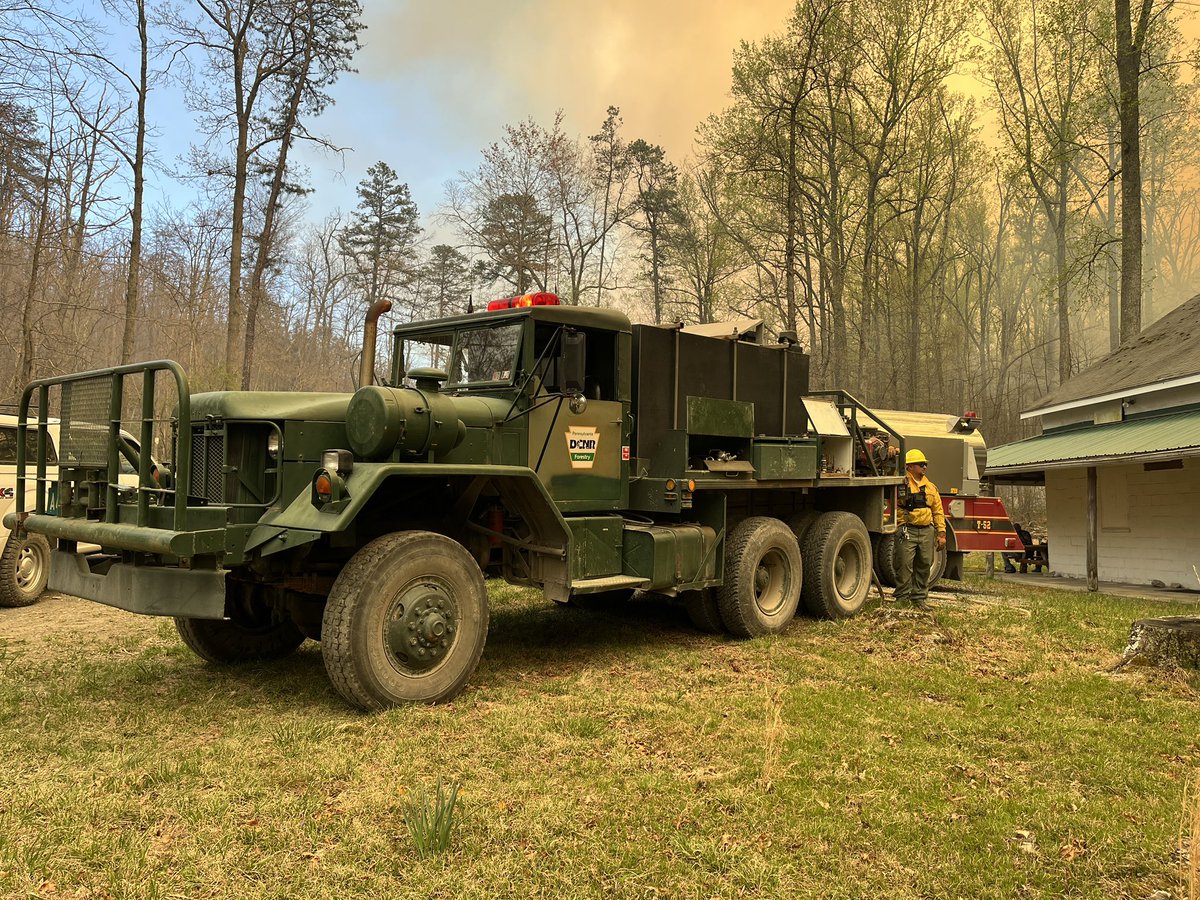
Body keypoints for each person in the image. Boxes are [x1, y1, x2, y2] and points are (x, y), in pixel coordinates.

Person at [894, 448, 946, 610]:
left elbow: (938, 511)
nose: (924, 467)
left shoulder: (931, 488)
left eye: (925, 464)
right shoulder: (899, 483)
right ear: (909, 467)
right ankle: (902, 598)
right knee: (904, 565)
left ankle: (919, 599)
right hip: (906, 530)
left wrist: (941, 534)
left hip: (926, 531)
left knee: (924, 564)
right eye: (920, 464)